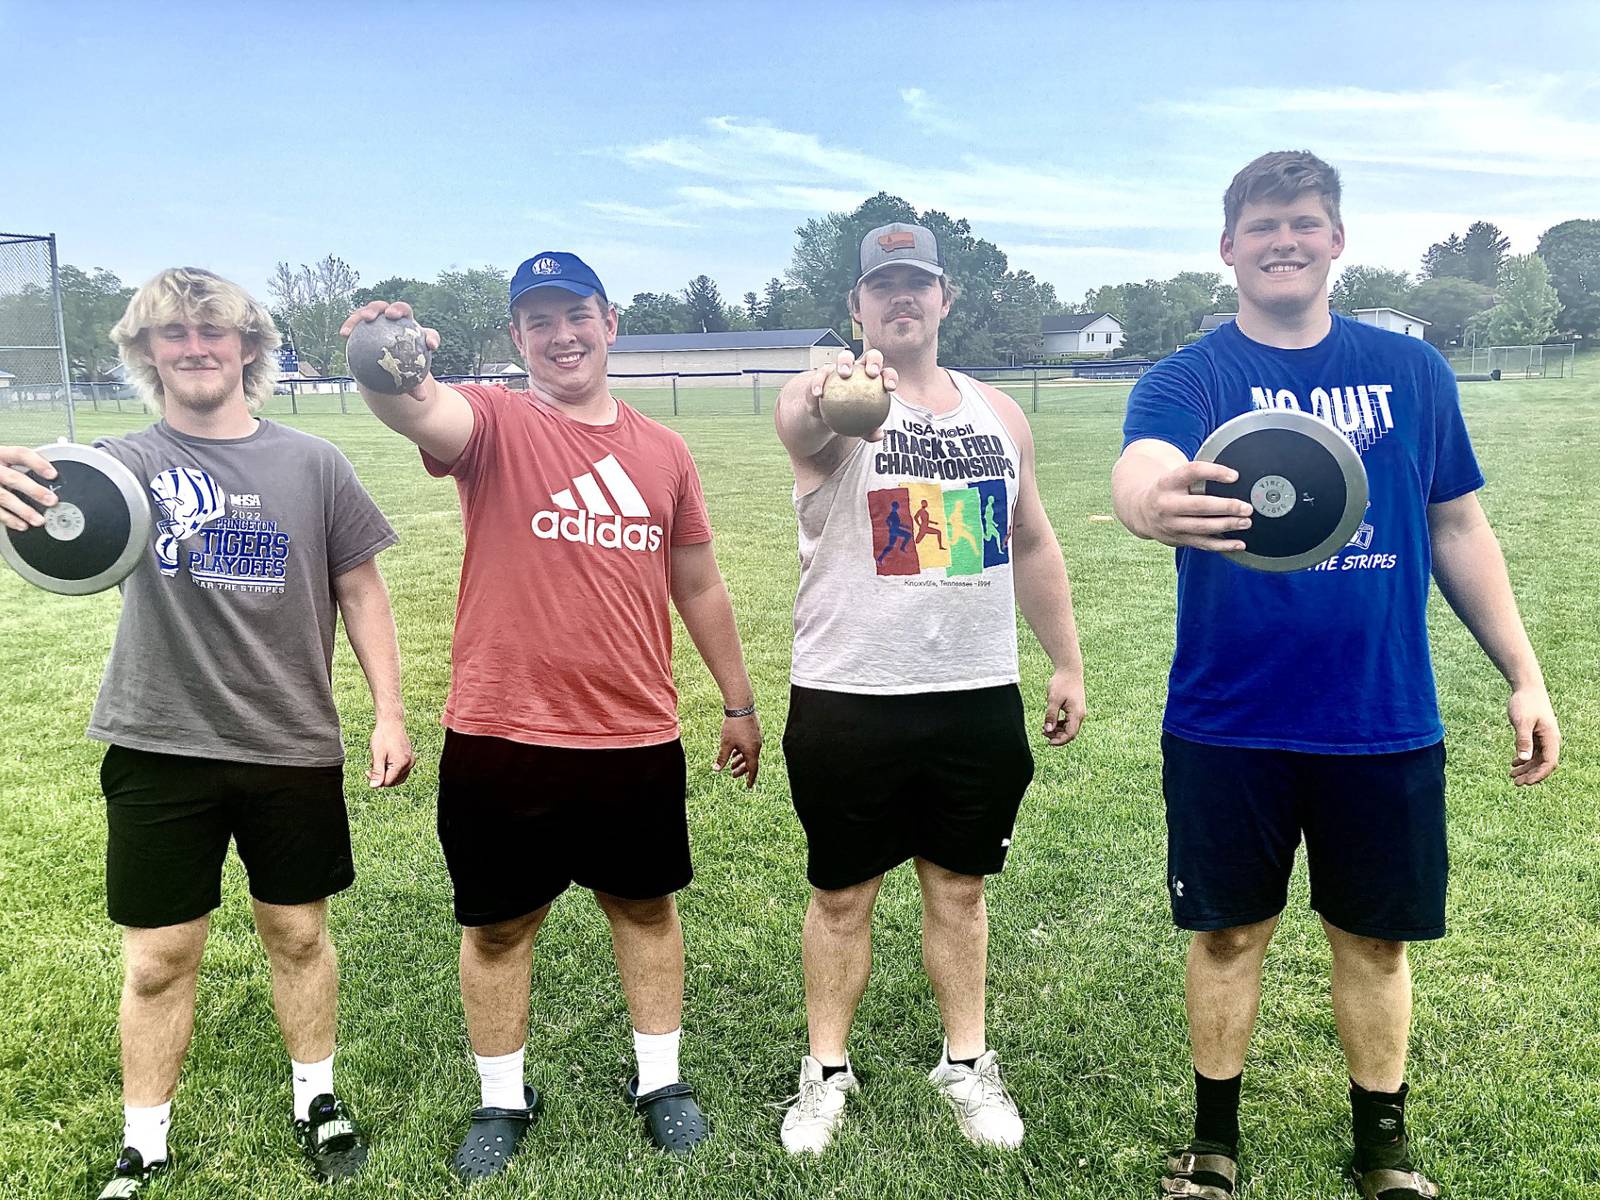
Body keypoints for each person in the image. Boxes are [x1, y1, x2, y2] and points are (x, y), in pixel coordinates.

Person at [1110, 151, 1561, 1200]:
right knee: (1229, 932)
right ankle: (1212, 1145)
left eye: (1305, 221)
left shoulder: (1411, 371)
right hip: (1229, 718)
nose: (1285, 240)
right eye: (1263, 224)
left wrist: (1524, 674)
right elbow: (1143, 467)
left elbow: (1456, 525)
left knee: (1377, 940)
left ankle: (1383, 1153)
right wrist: (1151, 502)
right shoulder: (1192, 376)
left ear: (1337, 240)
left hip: (1381, 715)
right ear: (1228, 247)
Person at [341, 251, 762, 1177]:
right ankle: (502, 1096)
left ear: (609, 323)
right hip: (502, 732)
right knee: (497, 926)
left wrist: (738, 701)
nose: (561, 336)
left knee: (645, 908)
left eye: (576, 315)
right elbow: (415, 407)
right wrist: (388, 357)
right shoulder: (494, 422)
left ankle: (661, 1083)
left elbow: (697, 582)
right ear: (517, 337)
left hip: (633, 731)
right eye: (539, 322)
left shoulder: (665, 452)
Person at [0, 267, 412, 1197]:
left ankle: (318, 1098)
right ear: (145, 352)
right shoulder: (119, 466)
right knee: (157, 960)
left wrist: (389, 712)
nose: (194, 348)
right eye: (172, 334)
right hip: (158, 744)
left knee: (297, 934)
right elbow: (50, 503)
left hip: (290, 742)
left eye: (212, 331)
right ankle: (143, 1143)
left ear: (248, 347)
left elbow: (360, 589)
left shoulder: (314, 464)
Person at [771, 222, 1087, 1153]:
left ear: (946, 298)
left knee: (961, 888)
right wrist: (835, 396)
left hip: (974, 693)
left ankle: (966, 1061)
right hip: (848, 693)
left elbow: (1030, 539)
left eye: (917, 283)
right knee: (842, 894)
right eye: (883, 286)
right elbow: (803, 422)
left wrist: (1065, 660)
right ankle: (826, 1070)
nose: (901, 298)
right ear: (858, 306)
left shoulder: (1000, 414)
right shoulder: (833, 395)